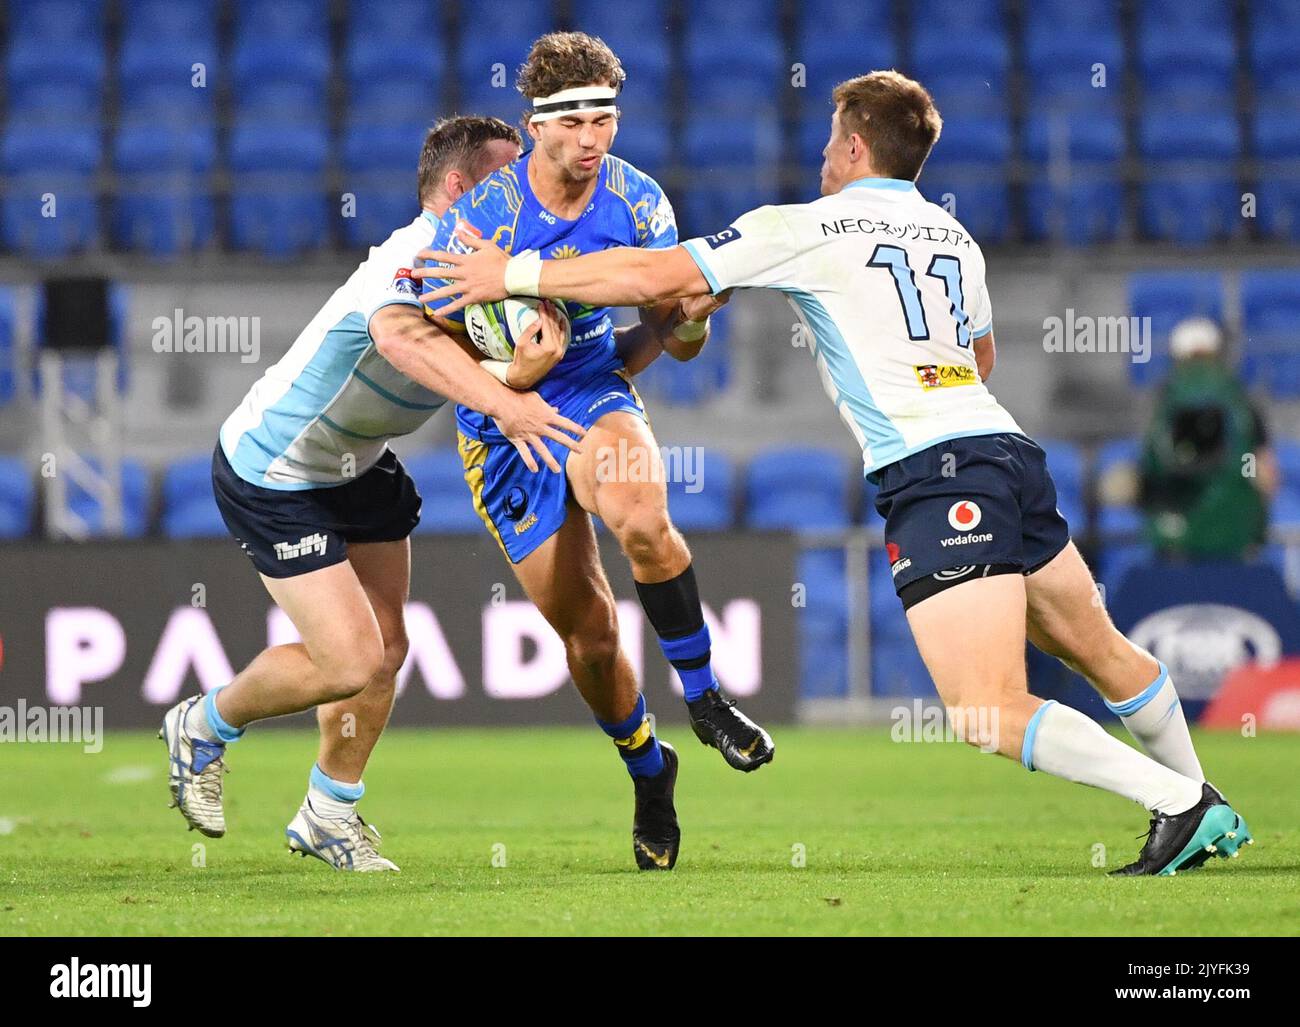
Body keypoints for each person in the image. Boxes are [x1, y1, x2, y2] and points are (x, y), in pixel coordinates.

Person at [419, 70, 1254, 876]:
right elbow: (981, 356)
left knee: (984, 708)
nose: (822, 157)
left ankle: (1176, 803)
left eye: (829, 142)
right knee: (1104, 651)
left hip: (936, 472)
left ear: (855, 150)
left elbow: (655, 276)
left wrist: (513, 275)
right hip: (1007, 450)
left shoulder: (810, 226)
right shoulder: (954, 236)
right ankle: (1206, 795)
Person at [161, 116, 582, 872]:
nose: (526, 193)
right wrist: (507, 403)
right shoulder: (415, 253)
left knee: (388, 647)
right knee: (351, 657)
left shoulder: (489, 274)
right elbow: (398, 339)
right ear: (460, 189)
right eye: (509, 179)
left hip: (360, 464)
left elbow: (466, 365)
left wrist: (516, 378)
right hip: (277, 468)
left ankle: (328, 812)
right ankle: (204, 723)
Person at [419, 31, 776, 872]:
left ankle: (706, 697)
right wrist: (513, 372)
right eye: (573, 121)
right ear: (535, 126)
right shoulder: (485, 216)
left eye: (605, 119)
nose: (591, 138)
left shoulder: (639, 200)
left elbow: (675, 333)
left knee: (642, 517)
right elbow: (439, 344)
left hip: (589, 389)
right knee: (588, 636)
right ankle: (651, 770)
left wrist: (688, 316)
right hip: (503, 423)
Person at [1137, 316, 1278, 558]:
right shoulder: (1240, 405)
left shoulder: (1242, 409)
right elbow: (1262, 473)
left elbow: (1262, 471)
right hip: (1195, 538)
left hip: (1209, 539)